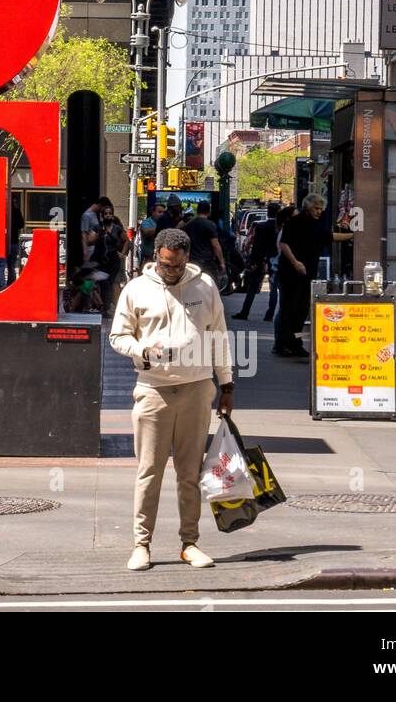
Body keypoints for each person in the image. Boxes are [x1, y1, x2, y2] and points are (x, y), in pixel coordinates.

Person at [110, 227, 234, 572]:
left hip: (197, 388)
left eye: (177, 267)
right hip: (153, 389)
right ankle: (141, 544)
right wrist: (142, 349)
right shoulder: (136, 290)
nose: (171, 272)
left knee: (189, 472)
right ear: (156, 257)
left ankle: (189, 543)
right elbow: (118, 336)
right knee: (149, 471)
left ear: (186, 259)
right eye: (165, 265)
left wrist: (227, 385)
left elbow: (219, 336)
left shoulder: (205, 286)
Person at [275, 193, 353, 357]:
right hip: (290, 272)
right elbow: (284, 243)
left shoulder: (317, 224)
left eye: (321, 209)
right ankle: (283, 343)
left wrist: (353, 236)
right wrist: (295, 262)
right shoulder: (294, 223)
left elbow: (330, 237)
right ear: (308, 208)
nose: (319, 212)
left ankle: (295, 344)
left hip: (307, 271)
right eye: (316, 208)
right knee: (289, 308)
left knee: (302, 309)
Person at [232, 202, 280, 321]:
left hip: (260, 259)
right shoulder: (280, 228)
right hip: (274, 259)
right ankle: (269, 315)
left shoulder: (261, 227)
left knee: (252, 288)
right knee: (273, 289)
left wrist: (253, 260)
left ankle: (245, 312)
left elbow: (257, 245)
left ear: (268, 212)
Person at [184, 200, 224, 283]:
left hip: (192, 261)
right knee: (210, 284)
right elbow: (215, 245)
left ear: (197, 210)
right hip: (207, 261)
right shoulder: (210, 224)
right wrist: (221, 262)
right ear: (208, 211)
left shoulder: (189, 224)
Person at [0, 197, 25, 290]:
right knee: (11, 265)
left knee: (1, 265)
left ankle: (2, 286)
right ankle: (11, 286)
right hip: (14, 241)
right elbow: (21, 224)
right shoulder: (16, 211)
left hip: (1, 241)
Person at [136, 201, 164, 272]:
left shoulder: (164, 222)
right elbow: (146, 232)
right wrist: (162, 228)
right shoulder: (146, 222)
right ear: (153, 212)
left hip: (161, 258)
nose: (162, 214)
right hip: (148, 258)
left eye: (164, 212)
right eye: (160, 212)